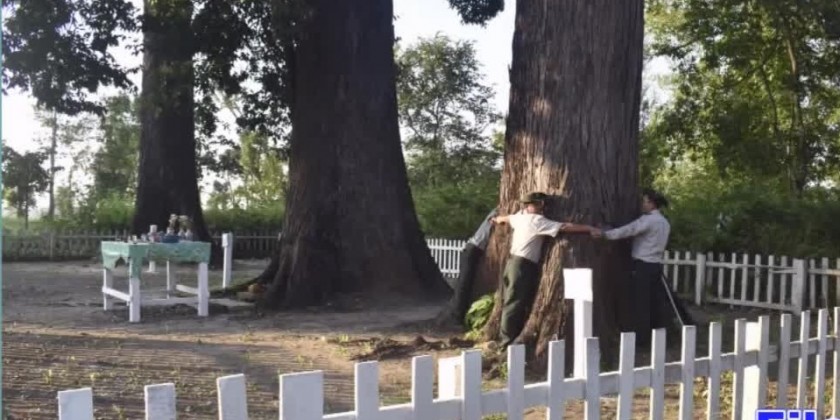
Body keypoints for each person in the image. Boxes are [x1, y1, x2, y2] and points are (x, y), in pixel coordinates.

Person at [492, 192, 595, 346]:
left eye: (541, 204)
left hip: (513, 263)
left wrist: (498, 219)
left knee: (513, 299)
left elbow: (506, 218)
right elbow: (564, 227)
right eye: (538, 204)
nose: (542, 207)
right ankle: (506, 341)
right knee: (515, 301)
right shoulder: (536, 221)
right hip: (522, 265)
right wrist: (588, 228)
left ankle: (508, 336)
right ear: (529, 206)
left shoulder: (519, 217)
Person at [591, 188, 693, 344]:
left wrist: (605, 234)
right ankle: (659, 336)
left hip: (643, 266)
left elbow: (629, 230)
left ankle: (642, 339)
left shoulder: (648, 220)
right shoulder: (664, 222)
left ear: (652, 204)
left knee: (641, 303)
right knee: (655, 302)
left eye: (645, 202)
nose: (642, 205)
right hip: (655, 266)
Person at [448, 208, 498, 323]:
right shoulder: (495, 214)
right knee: (464, 283)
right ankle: (457, 313)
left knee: (466, 282)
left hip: (474, 249)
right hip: (473, 248)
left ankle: (459, 311)